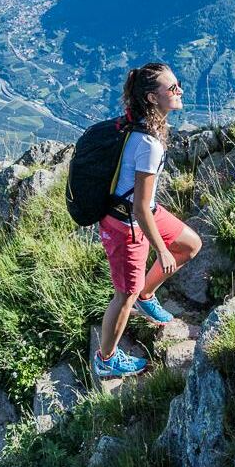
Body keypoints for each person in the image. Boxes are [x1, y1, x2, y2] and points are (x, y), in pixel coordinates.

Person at [93, 62, 202, 379]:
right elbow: (140, 208)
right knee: (122, 295)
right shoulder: (148, 143)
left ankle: (146, 295)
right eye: (172, 88)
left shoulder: (138, 124)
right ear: (153, 98)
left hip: (140, 212)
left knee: (189, 245)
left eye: (177, 84)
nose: (179, 90)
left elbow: (144, 204)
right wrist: (161, 250)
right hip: (126, 224)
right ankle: (106, 359)